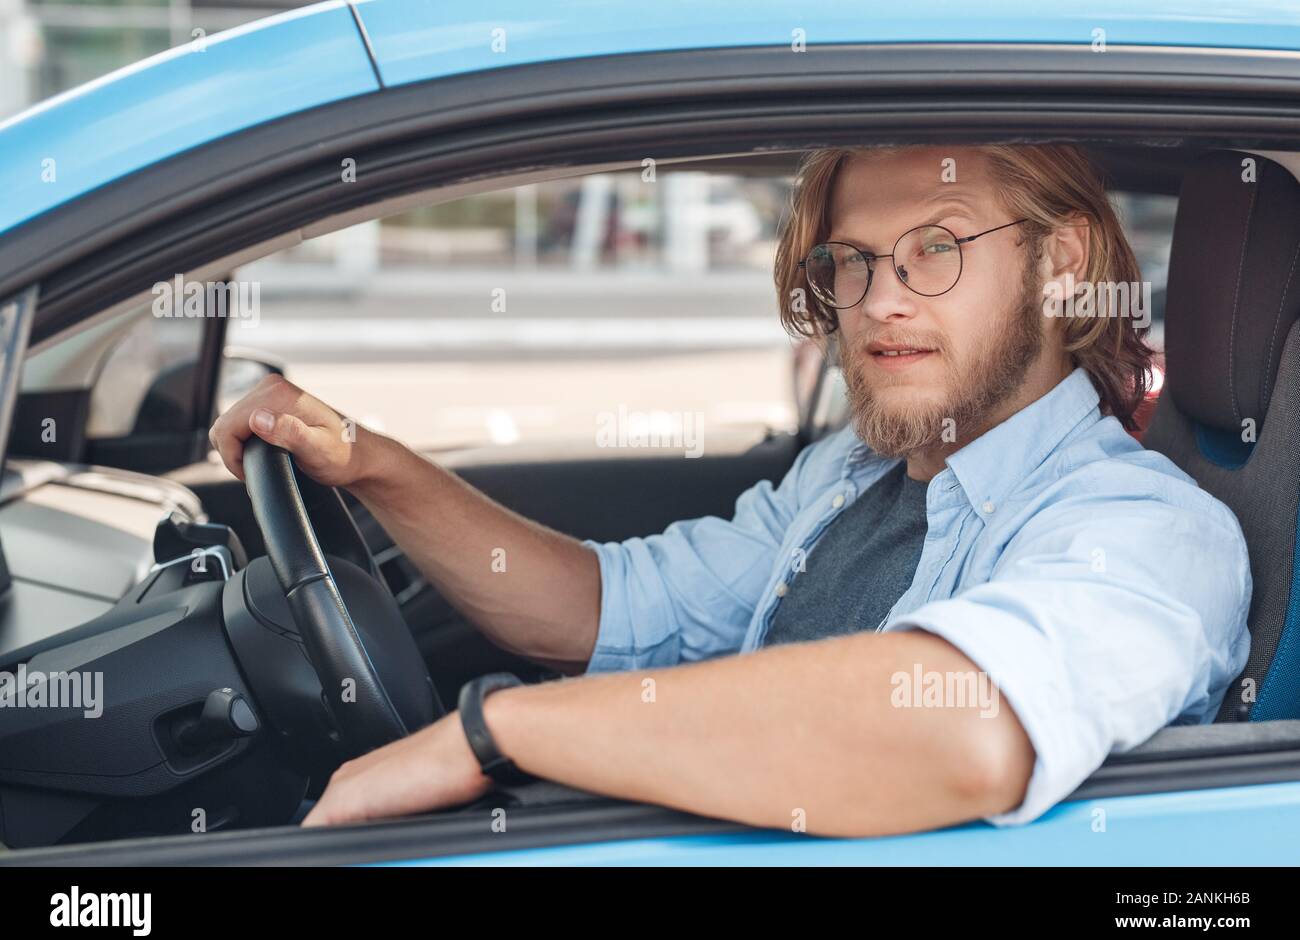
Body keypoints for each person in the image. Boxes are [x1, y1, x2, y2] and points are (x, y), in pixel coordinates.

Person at [209, 144, 1251, 836]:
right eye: (851, 261)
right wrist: (374, 464)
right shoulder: (850, 475)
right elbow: (603, 606)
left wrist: (493, 731)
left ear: (1061, 263)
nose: (877, 301)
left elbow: (968, 722)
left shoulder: (1148, 530)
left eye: (934, 249)